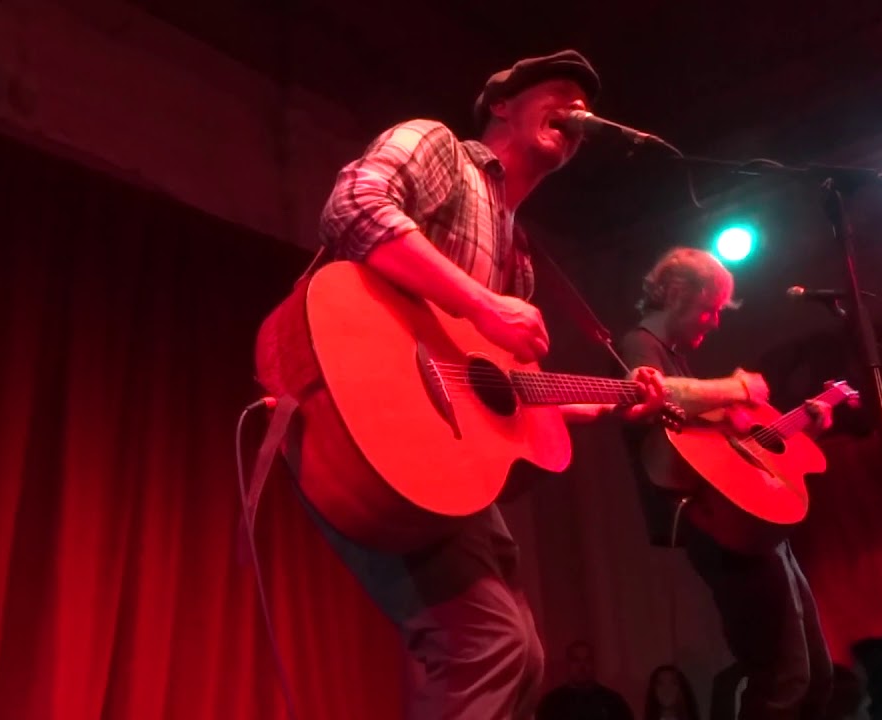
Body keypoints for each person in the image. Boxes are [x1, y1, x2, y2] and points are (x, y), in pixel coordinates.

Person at [272, 50, 667, 719]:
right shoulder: (439, 147)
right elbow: (355, 205)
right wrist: (485, 307)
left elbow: (504, 393)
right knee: (486, 643)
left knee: (523, 657)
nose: (576, 112)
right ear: (502, 105)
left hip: (444, 470)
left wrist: (614, 405)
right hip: (364, 430)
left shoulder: (519, 255)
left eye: (583, 108)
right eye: (559, 93)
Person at [617, 247, 835, 720]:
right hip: (718, 527)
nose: (714, 322)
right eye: (709, 308)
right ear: (675, 294)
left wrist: (798, 430)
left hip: (743, 520)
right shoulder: (639, 346)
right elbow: (645, 389)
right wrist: (737, 387)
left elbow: (718, 448)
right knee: (782, 677)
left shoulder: (674, 358)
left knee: (814, 675)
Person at [536, 641, 636, 720]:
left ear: (593, 663)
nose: (582, 667)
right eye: (576, 660)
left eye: (587, 660)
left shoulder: (613, 702)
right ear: (567, 664)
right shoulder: (551, 703)